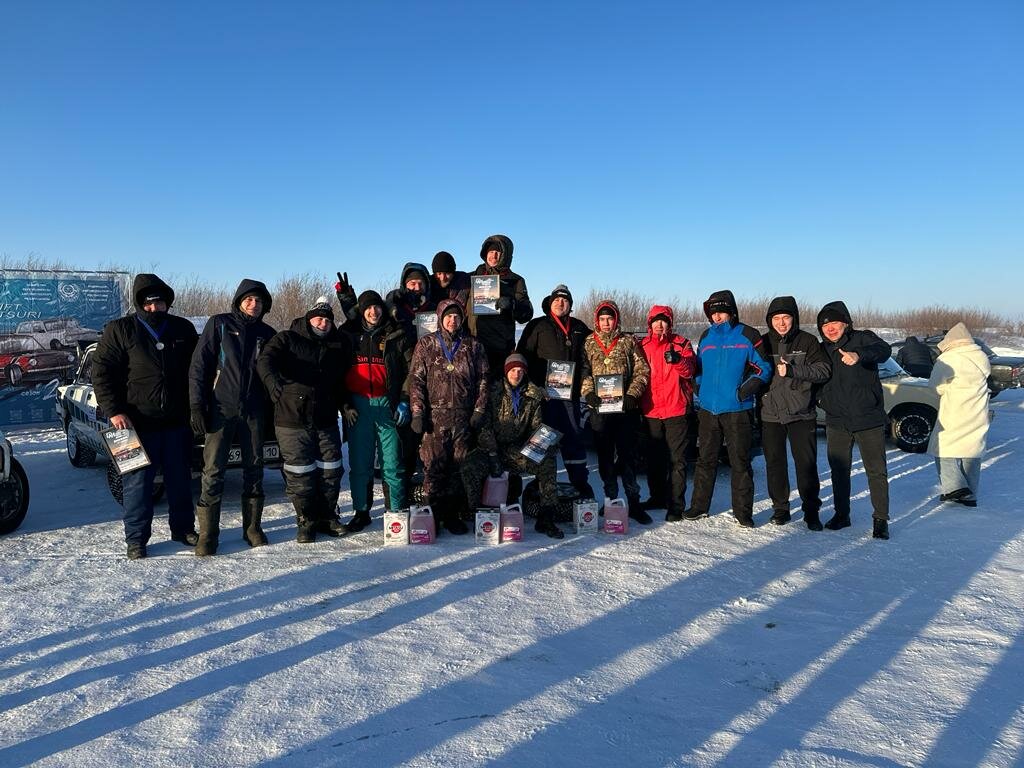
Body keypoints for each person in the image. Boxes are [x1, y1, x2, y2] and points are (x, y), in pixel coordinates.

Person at [92, 273, 199, 560]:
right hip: (131, 423)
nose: (155, 307)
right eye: (149, 303)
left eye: (160, 302)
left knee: (180, 480)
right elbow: (101, 373)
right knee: (136, 485)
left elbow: (198, 370)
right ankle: (136, 539)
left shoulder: (183, 328)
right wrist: (114, 411)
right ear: (140, 303)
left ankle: (183, 529)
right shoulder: (119, 329)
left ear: (167, 303)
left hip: (176, 422)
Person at [189, 279, 276, 555]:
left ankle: (252, 528)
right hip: (221, 408)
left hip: (254, 409)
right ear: (239, 301)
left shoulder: (267, 333)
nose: (254, 304)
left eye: (259, 301)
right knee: (213, 469)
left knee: (255, 467)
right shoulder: (220, 324)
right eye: (248, 299)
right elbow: (199, 366)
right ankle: (208, 535)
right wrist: (196, 405)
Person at [257, 296, 352, 543]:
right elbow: (265, 360)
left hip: (325, 418)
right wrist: (271, 381)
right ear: (309, 320)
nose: (323, 324)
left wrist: (346, 405)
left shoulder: (336, 346)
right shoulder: (287, 338)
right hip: (291, 418)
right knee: (300, 473)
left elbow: (340, 382)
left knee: (331, 469)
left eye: (327, 320)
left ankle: (327, 516)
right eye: (318, 319)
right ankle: (306, 520)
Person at [684, 290, 772, 527]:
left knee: (739, 462)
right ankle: (699, 507)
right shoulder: (706, 336)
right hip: (708, 410)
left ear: (731, 312)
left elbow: (764, 368)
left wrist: (741, 392)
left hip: (737, 410)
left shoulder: (748, 335)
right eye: (713, 313)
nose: (717, 317)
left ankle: (743, 513)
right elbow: (698, 369)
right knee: (705, 460)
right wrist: (699, 390)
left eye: (721, 312)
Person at [409, 299, 490, 534]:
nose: (453, 320)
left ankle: (452, 514)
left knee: (457, 468)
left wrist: (479, 410)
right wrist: (417, 412)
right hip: (435, 418)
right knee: (433, 467)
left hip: (463, 418)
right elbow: (416, 380)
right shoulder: (427, 344)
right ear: (440, 318)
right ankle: (432, 515)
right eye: (448, 316)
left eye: (456, 316)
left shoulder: (473, 346)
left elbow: (484, 379)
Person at [465, 353, 565, 538]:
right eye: (512, 370)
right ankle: (477, 512)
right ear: (506, 371)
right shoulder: (492, 392)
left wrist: (543, 442)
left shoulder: (533, 395)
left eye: (520, 370)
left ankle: (546, 516)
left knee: (548, 462)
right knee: (470, 466)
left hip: (518, 450)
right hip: (491, 449)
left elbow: (535, 426)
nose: (516, 374)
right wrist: (493, 453)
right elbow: (484, 427)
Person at [817, 300, 893, 539]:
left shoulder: (863, 338)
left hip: (868, 418)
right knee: (839, 471)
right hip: (837, 421)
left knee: (876, 471)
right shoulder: (821, 349)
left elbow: (884, 351)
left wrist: (859, 355)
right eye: (825, 325)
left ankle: (881, 519)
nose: (830, 328)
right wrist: (822, 400)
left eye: (835, 323)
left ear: (846, 323)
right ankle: (842, 515)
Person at [340, 289, 413, 531]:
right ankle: (361, 511)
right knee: (360, 464)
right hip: (359, 407)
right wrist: (345, 404)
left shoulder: (395, 333)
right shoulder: (349, 335)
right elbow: (336, 372)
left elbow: (410, 370)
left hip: (387, 404)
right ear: (361, 311)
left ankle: (395, 511)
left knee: (392, 463)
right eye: (368, 308)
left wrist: (404, 399)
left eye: (377, 307)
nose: (373, 312)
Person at [758, 296, 831, 530]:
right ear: (770, 320)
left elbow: (823, 370)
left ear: (794, 318)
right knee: (775, 464)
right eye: (776, 318)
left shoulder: (808, 341)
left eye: (786, 317)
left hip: (801, 413)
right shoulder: (763, 342)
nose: (781, 323)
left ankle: (811, 511)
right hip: (770, 413)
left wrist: (793, 370)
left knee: (806, 464)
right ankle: (780, 509)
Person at [516, 284, 595, 499]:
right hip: (544, 396)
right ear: (550, 303)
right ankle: (540, 483)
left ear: (570, 305)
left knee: (573, 439)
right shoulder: (537, 326)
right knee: (542, 439)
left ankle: (580, 483)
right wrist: (532, 387)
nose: (561, 303)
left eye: (565, 300)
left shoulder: (579, 327)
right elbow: (523, 356)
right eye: (557, 300)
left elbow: (593, 352)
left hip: (570, 397)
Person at [580, 300, 651, 522]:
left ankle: (634, 502)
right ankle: (611, 499)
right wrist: (588, 393)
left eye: (609, 318)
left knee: (627, 456)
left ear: (616, 319)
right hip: (600, 410)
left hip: (625, 409)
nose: (606, 323)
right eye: (602, 319)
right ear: (597, 321)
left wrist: (632, 395)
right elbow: (583, 371)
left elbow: (642, 370)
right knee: (605, 457)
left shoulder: (628, 341)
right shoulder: (589, 342)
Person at [637, 305, 697, 522]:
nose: (659, 325)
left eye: (664, 321)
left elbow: (691, 371)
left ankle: (676, 505)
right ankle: (657, 497)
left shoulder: (681, 343)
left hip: (676, 410)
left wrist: (678, 360)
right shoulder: (642, 345)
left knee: (677, 460)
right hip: (651, 410)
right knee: (654, 459)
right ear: (650, 323)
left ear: (670, 323)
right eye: (656, 321)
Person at [927, 322, 992, 507]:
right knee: (972, 452)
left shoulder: (949, 359)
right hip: (978, 410)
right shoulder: (981, 356)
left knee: (942, 447)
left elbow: (935, 386)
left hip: (955, 410)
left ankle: (955, 488)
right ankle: (970, 496)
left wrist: (947, 389)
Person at [467, 234, 533, 376]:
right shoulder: (472, 277)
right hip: (472, 344)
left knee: (495, 387)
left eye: (498, 252)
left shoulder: (515, 281)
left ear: (505, 255)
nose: (493, 256)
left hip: (499, 348)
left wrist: (512, 305)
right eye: (490, 252)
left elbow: (527, 314)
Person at [386, 262, 437, 346]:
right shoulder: (397, 305)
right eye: (413, 284)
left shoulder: (433, 308)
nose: (417, 288)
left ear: (426, 285)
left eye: (420, 283)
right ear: (405, 285)